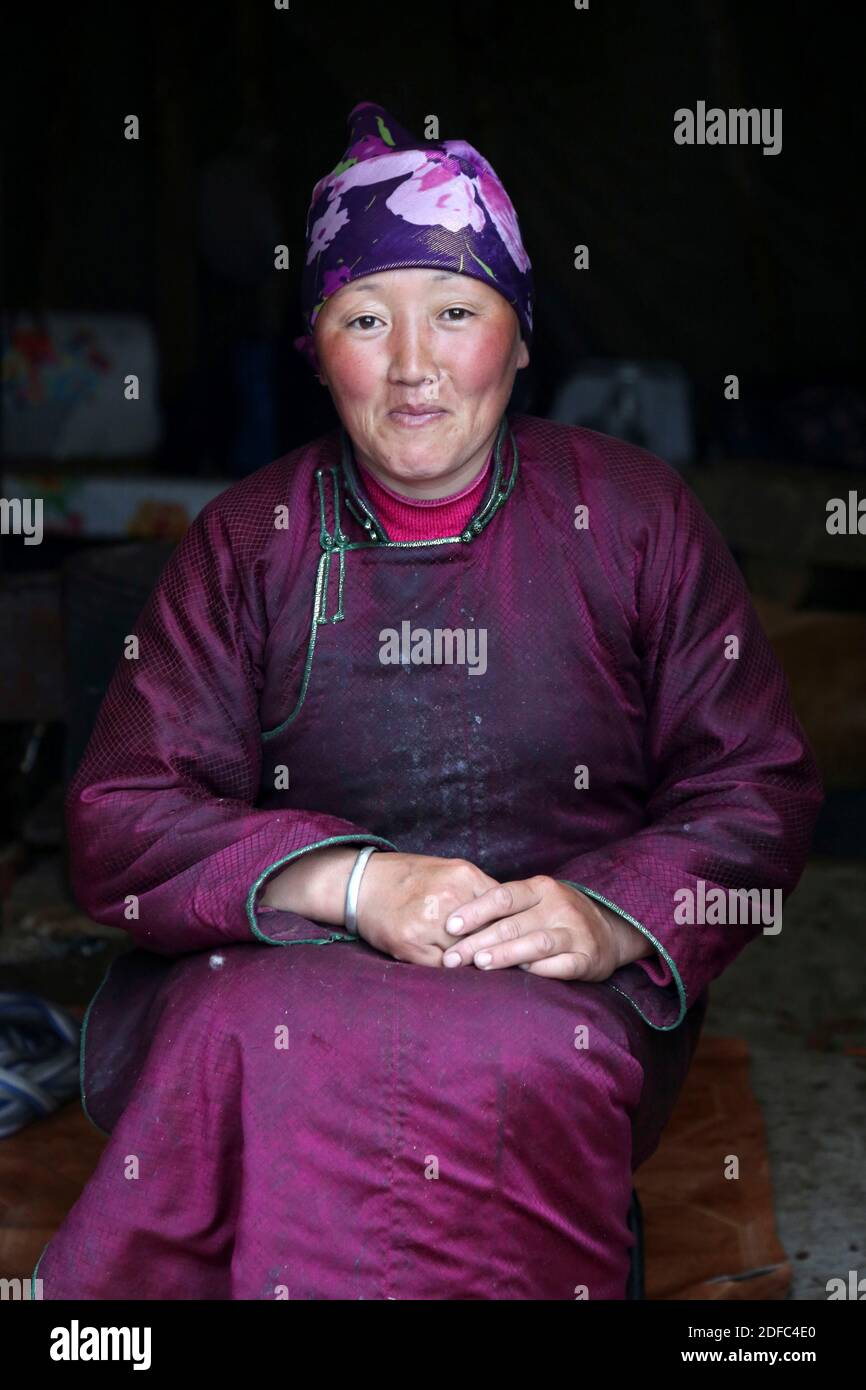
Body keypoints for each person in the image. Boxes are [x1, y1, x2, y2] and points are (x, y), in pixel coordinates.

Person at [34, 101, 822, 1301]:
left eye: (453, 313)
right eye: (364, 320)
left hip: (552, 981)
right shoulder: (250, 540)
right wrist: (353, 883)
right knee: (242, 1047)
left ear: (515, 340)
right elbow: (120, 817)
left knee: (508, 1053)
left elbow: (753, 789)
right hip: (276, 963)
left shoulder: (633, 516)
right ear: (315, 349)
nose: (411, 367)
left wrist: (609, 918)